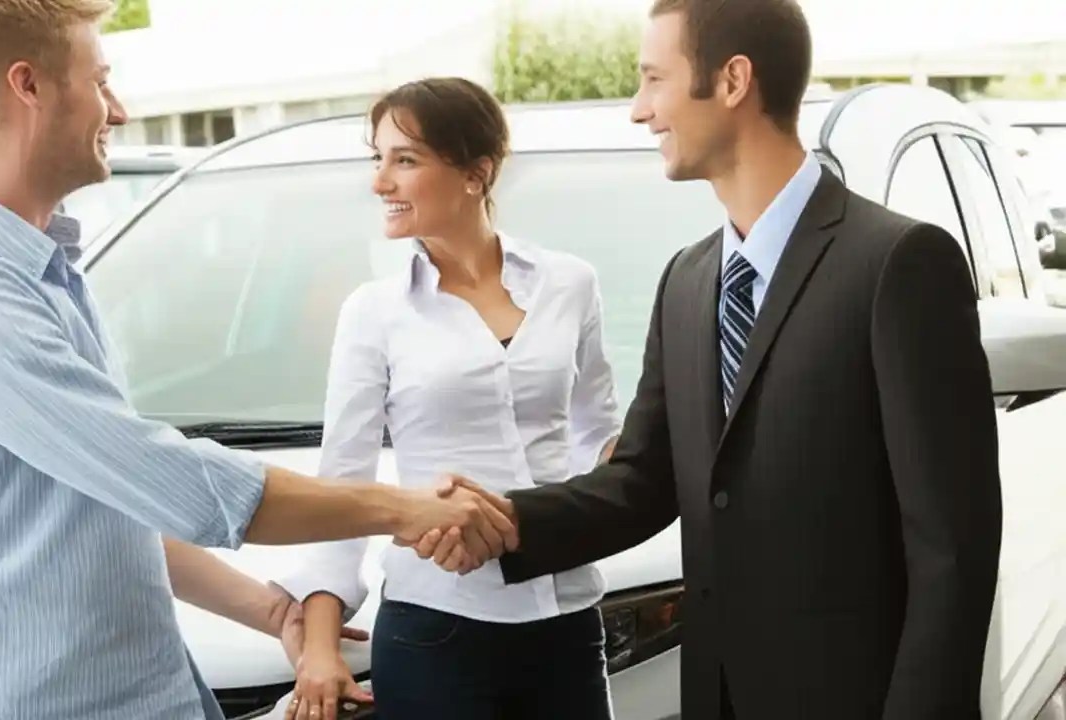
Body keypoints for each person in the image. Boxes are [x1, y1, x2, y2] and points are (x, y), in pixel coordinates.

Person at [0, 3, 514, 719]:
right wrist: (406, 508)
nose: (120, 109)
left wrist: (269, 612)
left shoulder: (40, 271)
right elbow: (170, 480)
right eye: (99, 82)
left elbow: (102, 498)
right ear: (30, 86)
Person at [418, 1, 1004, 719]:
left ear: (733, 80)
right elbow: (643, 480)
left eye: (654, 79)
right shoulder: (689, 282)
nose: (640, 110)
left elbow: (953, 550)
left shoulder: (898, 265)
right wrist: (506, 521)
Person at [275, 77, 623, 720]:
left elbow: (596, 439)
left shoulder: (571, 284)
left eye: (404, 160)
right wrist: (319, 649)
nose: (380, 182)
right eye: (375, 159)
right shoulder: (373, 311)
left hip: (567, 619)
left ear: (475, 173)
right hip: (438, 628)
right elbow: (341, 485)